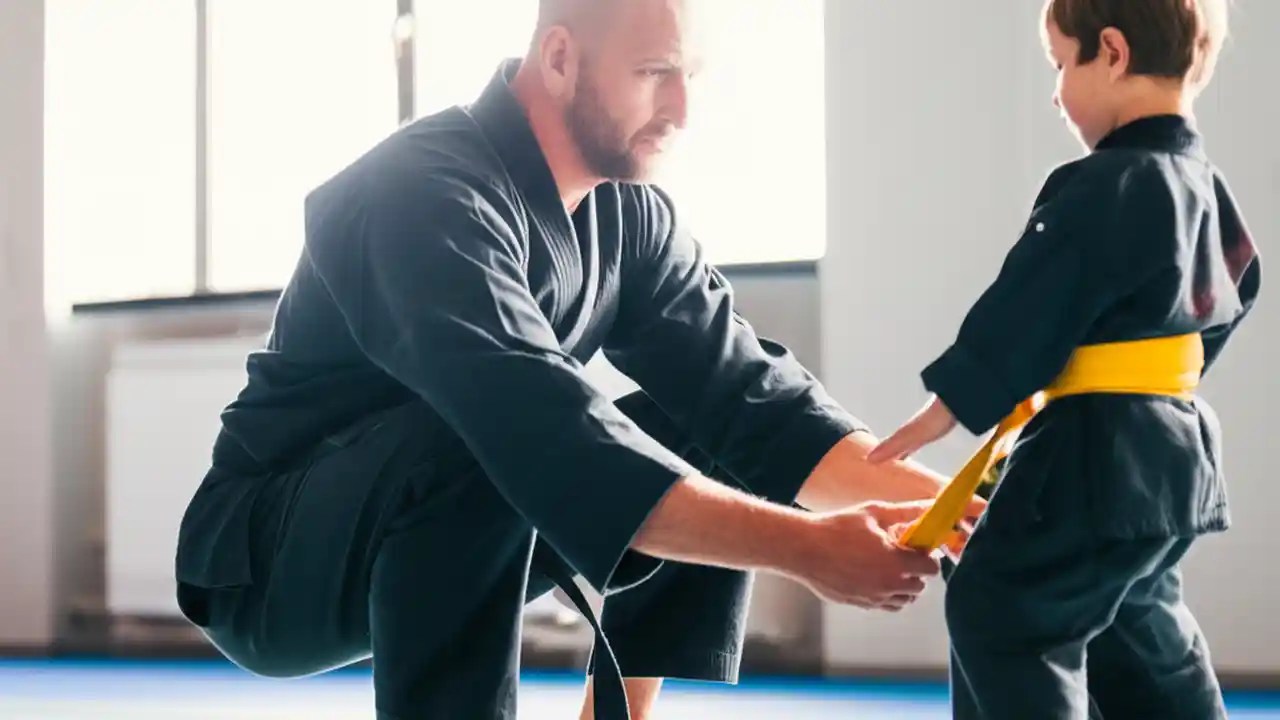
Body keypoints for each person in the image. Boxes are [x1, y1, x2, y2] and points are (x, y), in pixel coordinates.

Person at [172, 1, 979, 718]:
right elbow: (541, 429)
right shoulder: (419, 194)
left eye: (691, 75)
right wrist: (806, 548)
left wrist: (968, 517)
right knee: (485, 431)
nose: (683, 108)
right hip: (268, 562)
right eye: (655, 72)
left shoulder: (630, 215)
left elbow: (757, 404)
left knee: (699, 427)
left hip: (441, 507)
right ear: (559, 57)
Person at [867, 0, 1261, 718]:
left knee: (1003, 612)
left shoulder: (1104, 183)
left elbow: (1032, 303)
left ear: (1111, 52)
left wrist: (948, 406)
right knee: (1137, 624)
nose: (1055, 93)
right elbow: (1242, 287)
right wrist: (1155, 388)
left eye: (1059, 64)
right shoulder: (1208, 187)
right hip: (1176, 457)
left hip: (1093, 456)